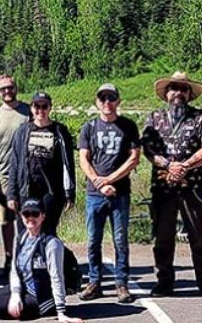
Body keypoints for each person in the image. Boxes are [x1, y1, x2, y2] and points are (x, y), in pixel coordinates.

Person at [141, 71, 202, 300]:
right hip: (163, 188)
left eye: (183, 89)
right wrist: (168, 164)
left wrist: (184, 166)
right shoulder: (154, 118)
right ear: (166, 93)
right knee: (163, 237)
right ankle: (164, 283)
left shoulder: (201, 118)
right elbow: (148, 148)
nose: (178, 93)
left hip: (192, 187)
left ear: (188, 94)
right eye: (173, 88)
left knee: (199, 237)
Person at [77, 83, 140, 304]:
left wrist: (110, 180)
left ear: (118, 101)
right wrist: (98, 182)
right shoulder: (89, 127)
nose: (107, 103)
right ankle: (94, 282)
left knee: (120, 241)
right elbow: (84, 158)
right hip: (95, 194)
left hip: (120, 193)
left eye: (111, 98)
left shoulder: (128, 126)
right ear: (97, 102)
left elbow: (134, 158)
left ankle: (121, 283)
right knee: (93, 240)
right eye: (103, 98)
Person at [0, 199, 82, 323]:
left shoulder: (51, 244)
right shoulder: (21, 238)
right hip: (25, 287)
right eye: (26, 214)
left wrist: (61, 312)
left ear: (43, 216)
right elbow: (14, 270)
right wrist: (16, 294)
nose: (30, 218)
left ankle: (40, 310)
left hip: (42, 296)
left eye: (35, 214)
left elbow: (57, 277)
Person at [5, 92, 76, 237]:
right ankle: (25, 259)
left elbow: (68, 164)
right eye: (37, 106)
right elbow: (14, 164)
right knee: (25, 232)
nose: (40, 110)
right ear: (31, 108)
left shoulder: (60, 131)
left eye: (44, 106)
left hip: (51, 191)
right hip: (26, 190)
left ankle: (49, 259)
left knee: (48, 231)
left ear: (50, 108)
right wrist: (11, 194)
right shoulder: (22, 132)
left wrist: (69, 193)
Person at [0, 75, 31, 275]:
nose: (7, 91)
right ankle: (8, 258)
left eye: (10, 87)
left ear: (16, 88)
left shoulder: (28, 111)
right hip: (2, 177)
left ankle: (26, 257)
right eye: (2, 88)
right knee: (6, 221)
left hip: (26, 177)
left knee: (27, 219)